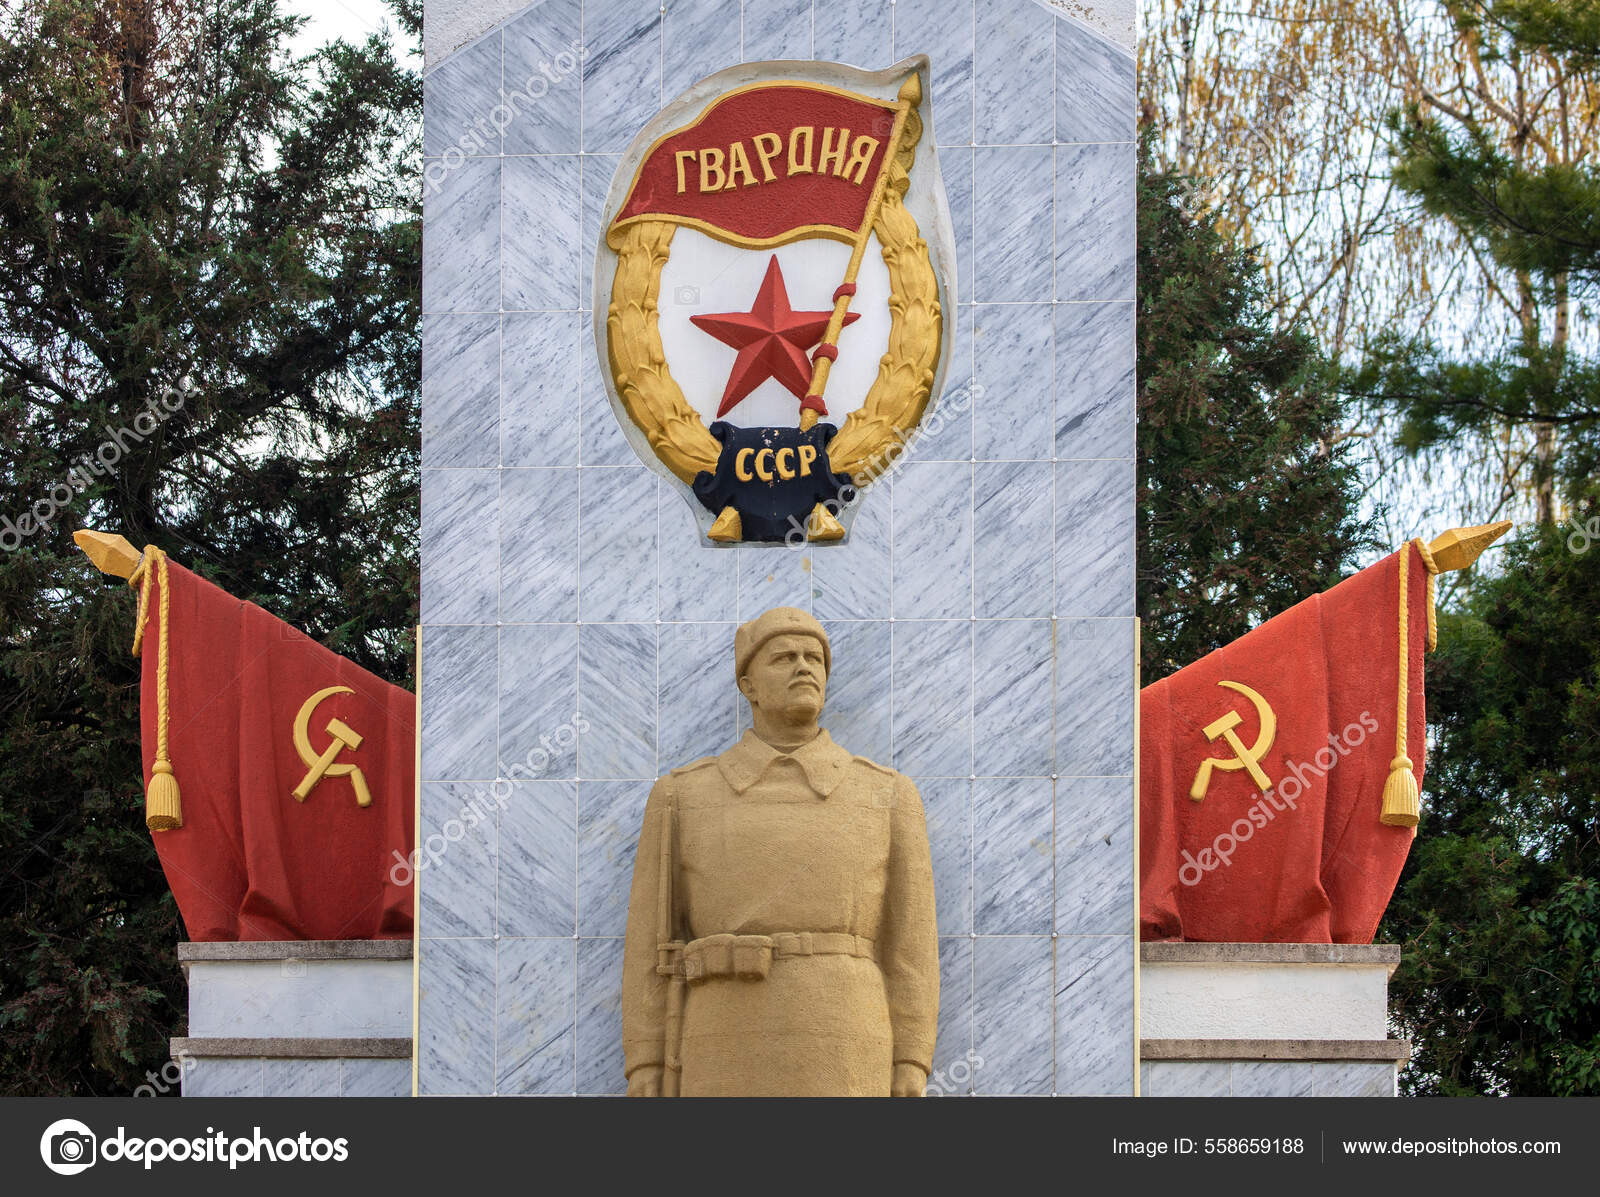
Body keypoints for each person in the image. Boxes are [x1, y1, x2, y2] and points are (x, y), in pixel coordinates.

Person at [622, 606, 939, 1096]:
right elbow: (650, 938)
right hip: (721, 1037)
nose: (804, 667)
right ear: (748, 686)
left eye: (815, 658)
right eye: (784, 657)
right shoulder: (682, 795)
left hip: (845, 1036)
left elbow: (911, 944)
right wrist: (645, 1057)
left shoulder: (887, 794)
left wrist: (911, 1058)